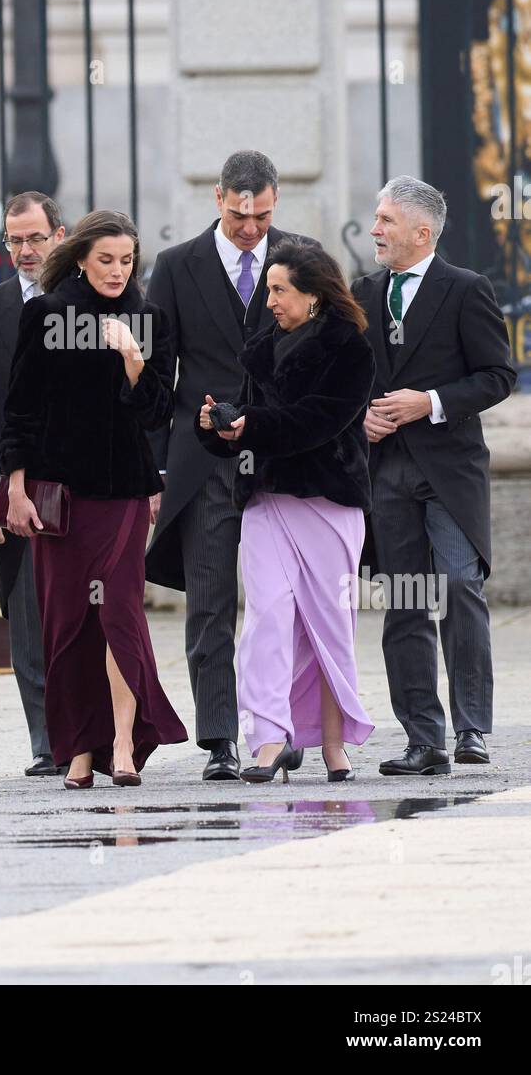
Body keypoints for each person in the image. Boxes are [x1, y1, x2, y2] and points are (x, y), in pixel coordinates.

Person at [0, 210, 188, 787]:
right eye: (105, 259)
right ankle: (81, 749)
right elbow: (20, 409)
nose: (116, 270)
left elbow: (158, 412)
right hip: (61, 497)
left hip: (126, 493)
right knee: (70, 624)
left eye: (126, 260)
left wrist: (134, 363)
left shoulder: (147, 317)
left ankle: (125, 745)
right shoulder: (47, 313)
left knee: (121, 617)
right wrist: (14, 488)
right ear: (80, 257)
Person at [145, 150, 318, 781]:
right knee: (211, 601)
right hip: (207, 456)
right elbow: (158, 376)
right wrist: (155, 470)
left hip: (283, 453)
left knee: (287, 601)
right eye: (240, 215)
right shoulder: (175, 266)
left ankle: (282, 728)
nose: (251, 228)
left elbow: (328, 348)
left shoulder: (302, 254)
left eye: (263, 215)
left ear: (276, 202)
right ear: (218, 198)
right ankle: (219, 736)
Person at [352, 177, 516, 777]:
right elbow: (345, 375)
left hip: (448, 470)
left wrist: (431, 401)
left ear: (422, 232)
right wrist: (359, 417)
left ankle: (471, 728)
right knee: (404, 602)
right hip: (385, 474)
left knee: (457, 589)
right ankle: (424, 739)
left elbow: (497, 375)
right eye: (376, 218)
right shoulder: (362, 294)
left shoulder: (466, 290)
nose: (375, 229)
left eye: (386, 220)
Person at [196, 241, 376, 783]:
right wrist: (221, 430)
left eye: (280, 290)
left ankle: (334, 746)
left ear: (314, 297)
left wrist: (251, 425)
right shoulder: (261, 349)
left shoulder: (352, 350)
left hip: (328, 504)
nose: (269, 299)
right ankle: (269, 739)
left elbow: (317, 422)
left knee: (327, 628)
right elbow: (254, 427)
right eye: (269, 289)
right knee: (267, 618)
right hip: (266, 502)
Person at [0, 191, 65, 776]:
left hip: (82, 484)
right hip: (15, 488)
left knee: (86, 613)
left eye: (34, 238)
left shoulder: (91, 301)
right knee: (25, 615)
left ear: (58, 234)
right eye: (15, 240)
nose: (25, 250)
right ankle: (45, 741)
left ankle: (87, 734)